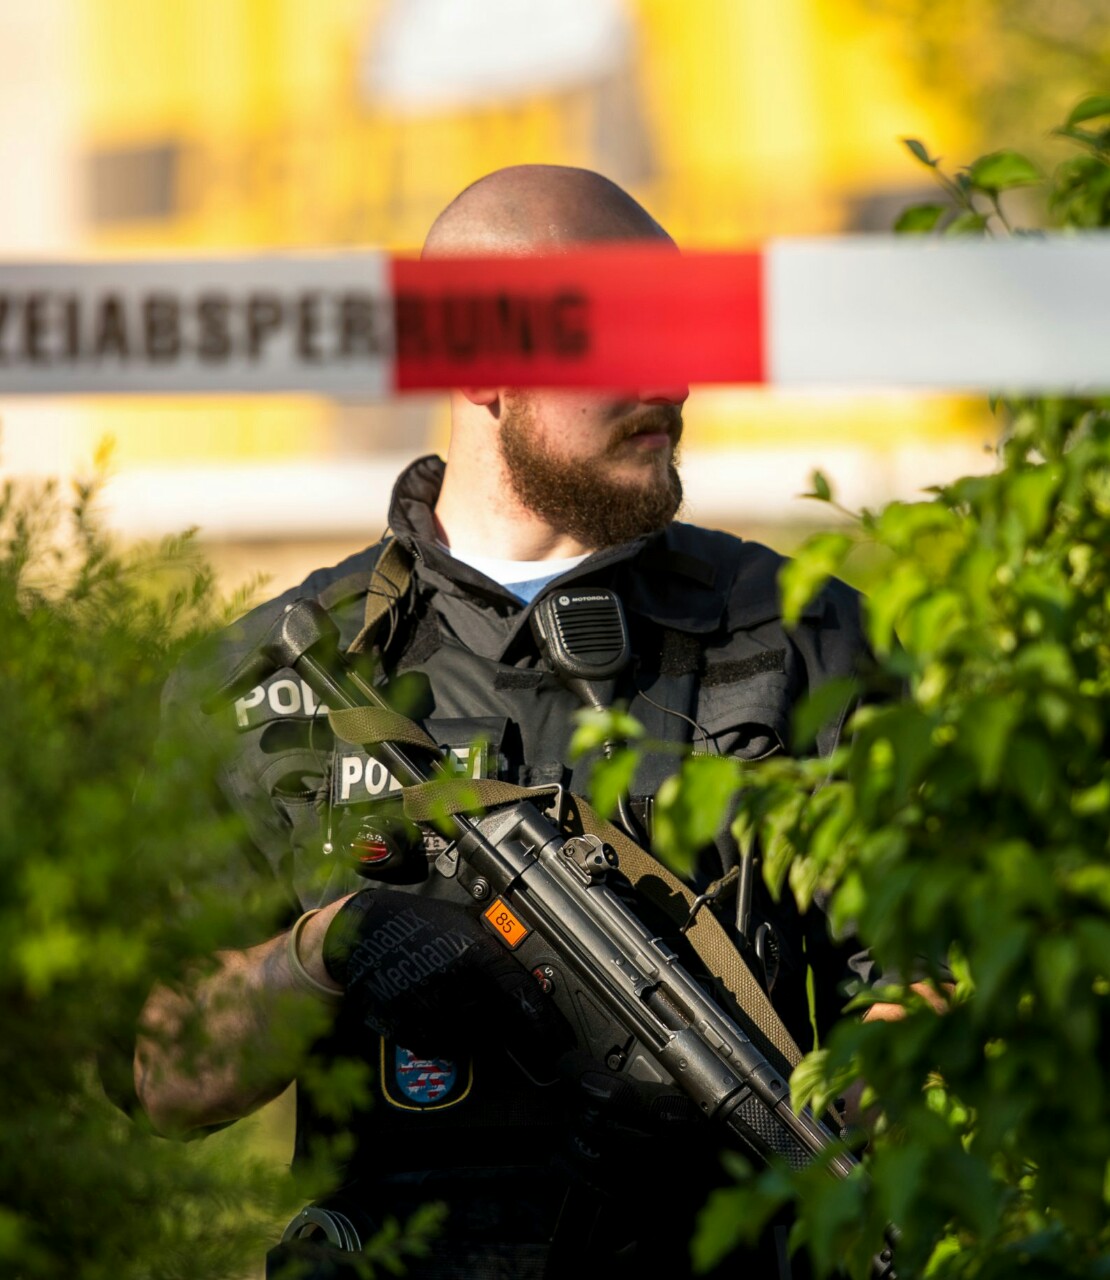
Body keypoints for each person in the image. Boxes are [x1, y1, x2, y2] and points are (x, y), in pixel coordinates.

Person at [132, 165, 880, 1279]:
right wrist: (325, 950)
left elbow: (935, 999)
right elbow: (159, 1075)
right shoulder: (272, 679)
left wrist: (778, 1123)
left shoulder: (806, 637)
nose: (672, 375)